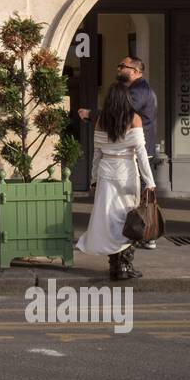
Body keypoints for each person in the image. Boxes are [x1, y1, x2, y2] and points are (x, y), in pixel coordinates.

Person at [75, 83, 155, 280]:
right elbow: (141, 155)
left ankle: (115, 266)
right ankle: (125, 265)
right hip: (127, 173)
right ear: (126, 99)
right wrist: (150, 182)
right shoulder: (134, 119)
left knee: (110, 220)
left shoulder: (101, 121)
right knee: (130, 219)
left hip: (106, 175)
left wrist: (93, 179)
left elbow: (96, 155)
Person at [79, 55, 159, 248]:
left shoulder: (138, 91)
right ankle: (128, 240)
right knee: (124, 205)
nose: (118, 68)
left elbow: (119, 115)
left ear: (135, 71)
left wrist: (91, 114)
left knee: (131, 204)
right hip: (125, 160)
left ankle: (143, 235)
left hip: (131, 155)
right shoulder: (132, 90)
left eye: (122, 66)